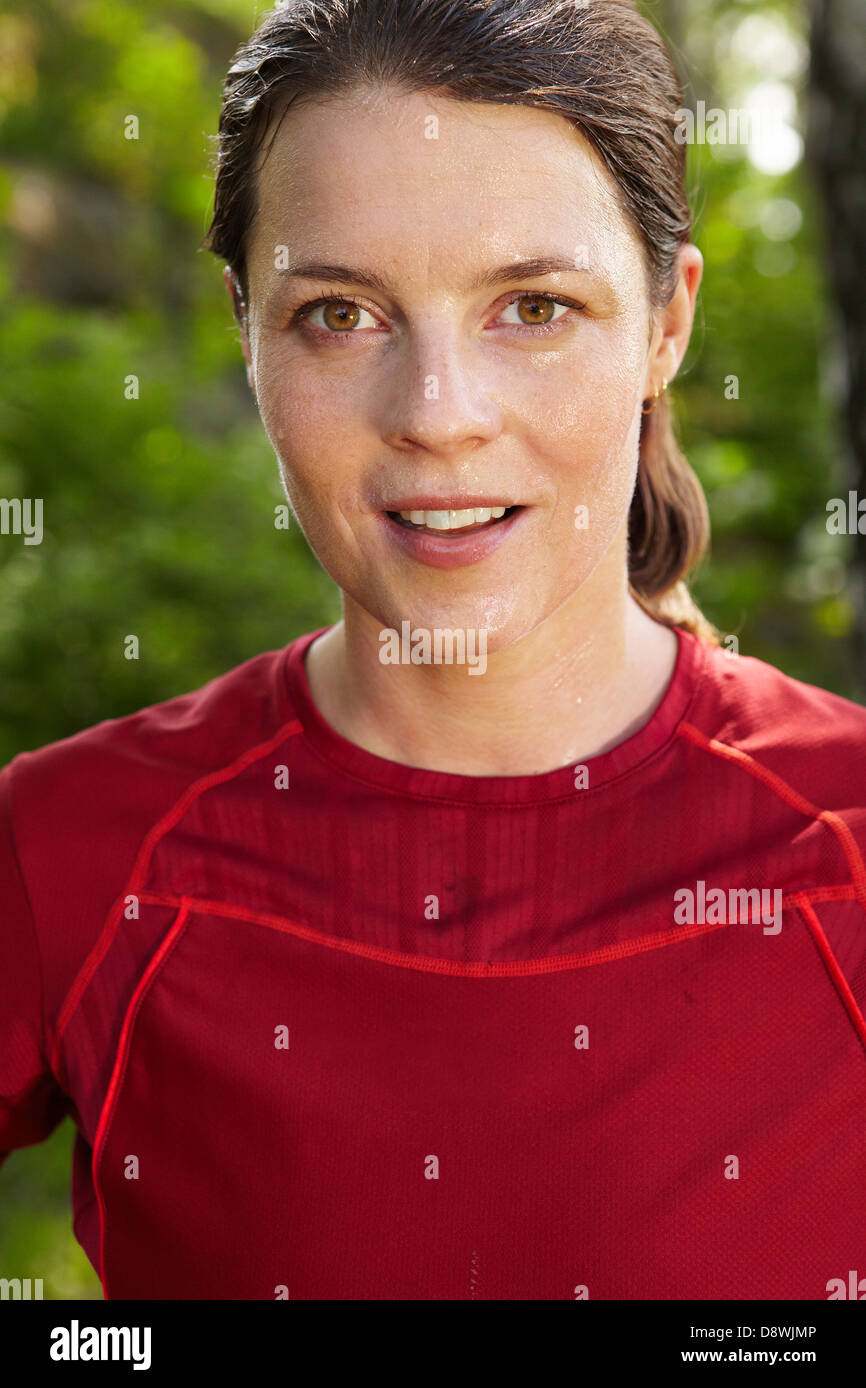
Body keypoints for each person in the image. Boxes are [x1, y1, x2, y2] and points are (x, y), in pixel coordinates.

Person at [2, 0, 865, 1301]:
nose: (436, 416)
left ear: (665, 322)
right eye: (339, 315)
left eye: (533, 305)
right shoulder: (67, 847)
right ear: (245, 327)